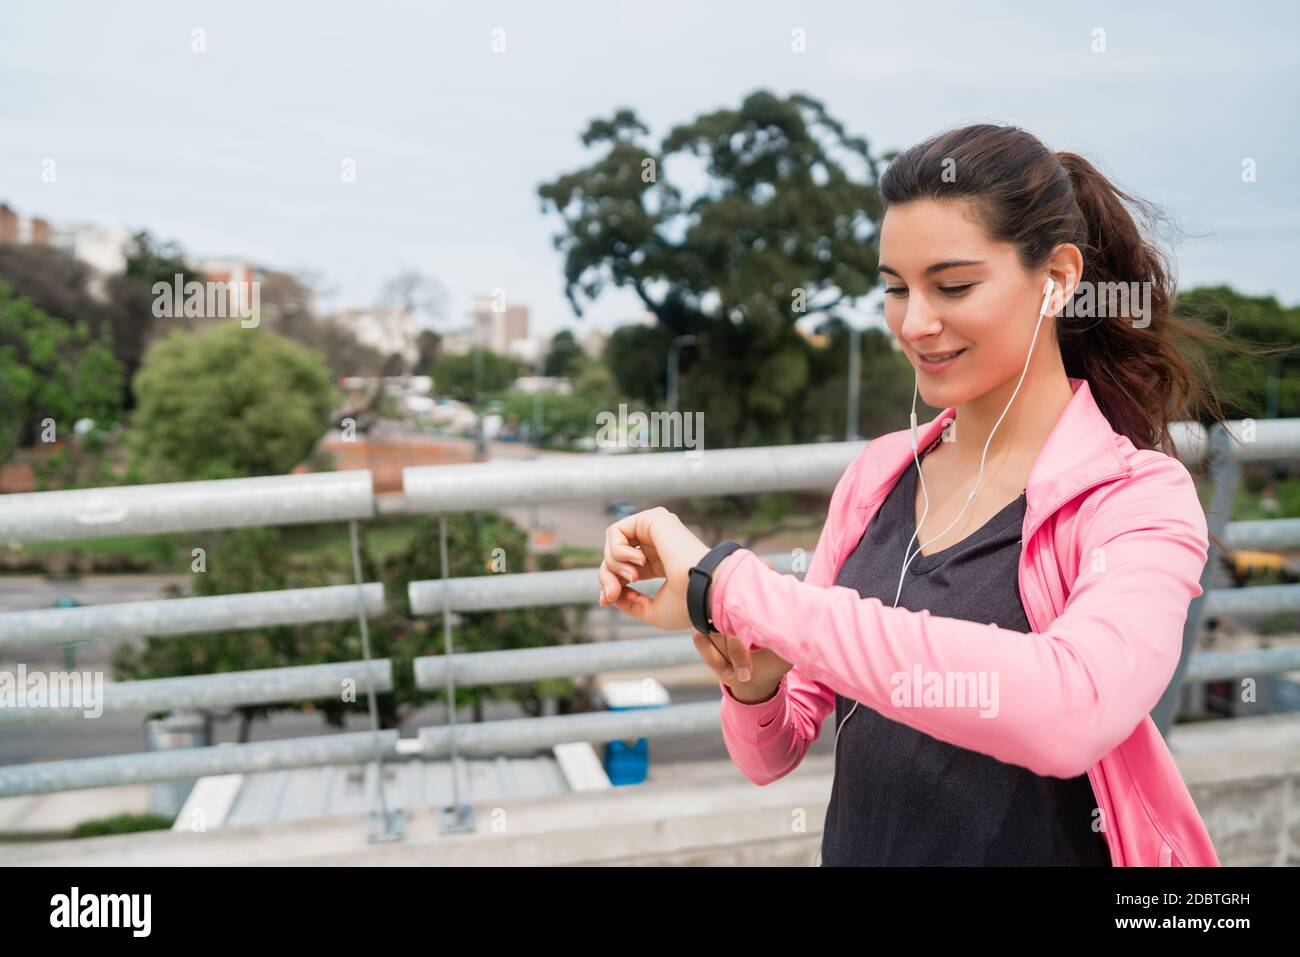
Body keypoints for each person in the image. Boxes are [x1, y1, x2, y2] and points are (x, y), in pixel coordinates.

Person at [596, 123, 1254, 867]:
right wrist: (754, 682)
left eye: (953, 286)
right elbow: (772, 752)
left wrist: (736, 586)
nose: (914, 323)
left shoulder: (1136, 499)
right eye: (894, 288)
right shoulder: (876, 475)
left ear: (1059, 276)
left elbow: (1073, 710)